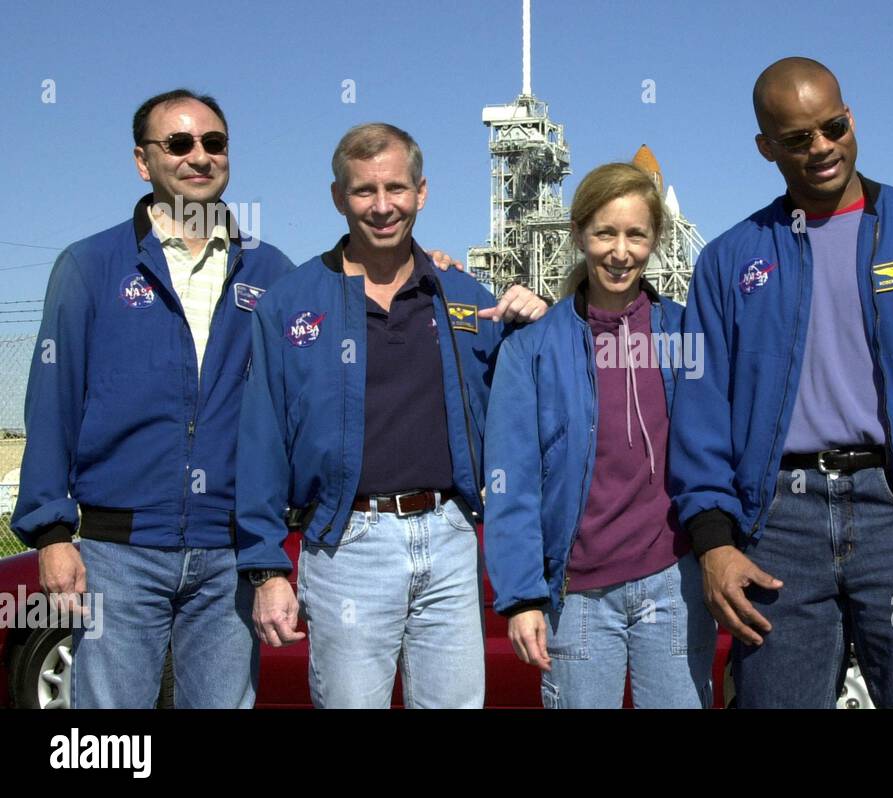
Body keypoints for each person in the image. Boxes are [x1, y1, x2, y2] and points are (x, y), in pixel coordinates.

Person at [668, 57, 893, 708]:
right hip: (778, 527)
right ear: (765, 147)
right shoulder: (729, 261)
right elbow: (701, 411)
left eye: (833, 126)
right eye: (797, 138)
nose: (822, 147)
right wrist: (714, 543)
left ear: (850, 117)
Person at [236, 122, 546, 708]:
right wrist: (265, 566)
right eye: (364, 192)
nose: (383, 207)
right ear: (337, 197)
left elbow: (524, 407)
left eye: (397, 189)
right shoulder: (292, 304)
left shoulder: (465, 296)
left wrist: (541, 319)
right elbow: (261, 443)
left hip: (452, 540)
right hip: (346, 547)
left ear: (421, 192)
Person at [13, 89, 295, 708]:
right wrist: (52, 532)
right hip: (119, 552)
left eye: (213, 143)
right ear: (144, 161)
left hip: (230, 555)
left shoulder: (272, 273)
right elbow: (53, 401)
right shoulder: (90, 266)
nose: (200, 156)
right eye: (179, 143)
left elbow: (305, 397)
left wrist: (425, 268)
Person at [484, 162, 716, 709]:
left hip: (673, 583)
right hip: (579, 593)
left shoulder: (685, 334)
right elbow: (511, 481)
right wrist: (521, 598)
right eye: (605, 233)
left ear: (656, 239)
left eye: (636, 234)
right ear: (579, 234)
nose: (620, 251)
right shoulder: (531, 349)